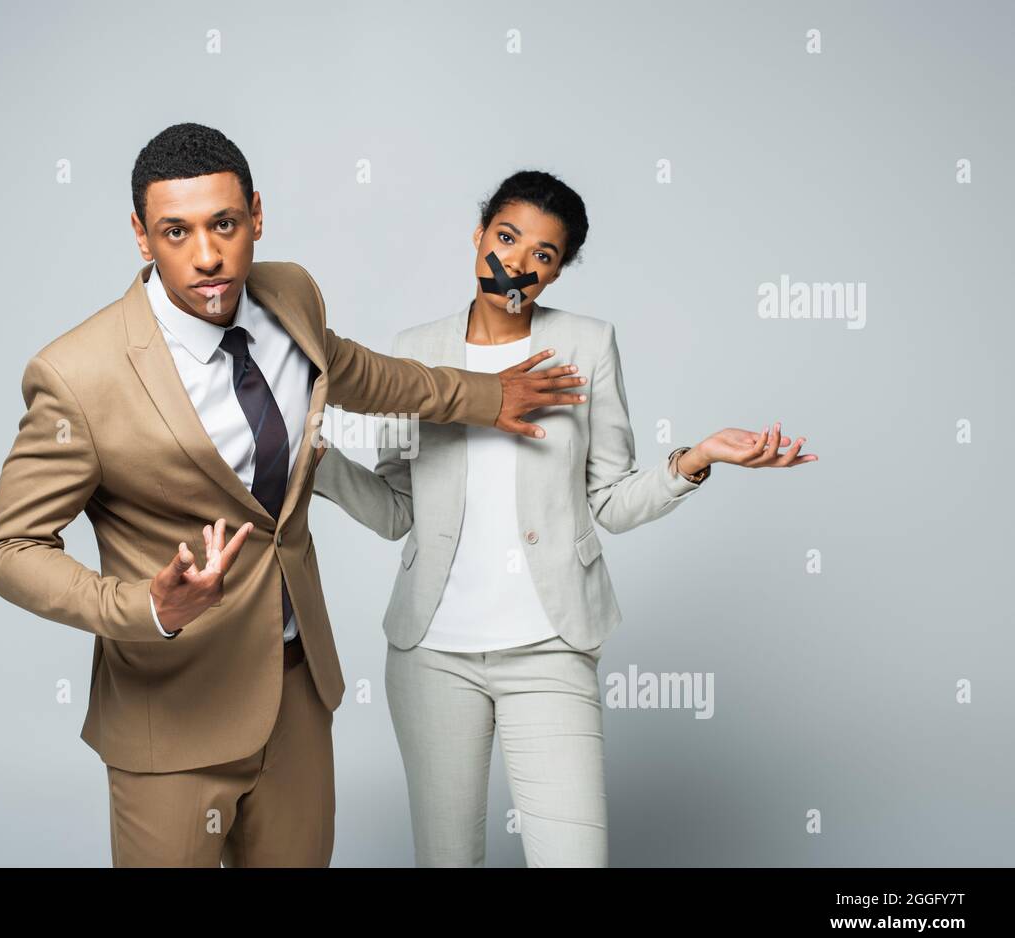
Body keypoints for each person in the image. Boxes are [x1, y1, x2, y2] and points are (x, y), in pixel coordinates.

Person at [0, 126, 586, 867]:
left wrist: (487, 396)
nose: (207, 256)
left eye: (224, 224)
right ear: (141, 234)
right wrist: (145, 608)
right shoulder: (79, 374)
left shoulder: (288, 295)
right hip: (172, 711)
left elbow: (361, 373)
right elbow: (10, 549)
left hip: (296, 695)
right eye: (176, 232)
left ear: (256, 216)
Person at [312, 169, 817, 867]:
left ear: (555, 272)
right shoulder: (414, 351)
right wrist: (313, 460)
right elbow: (397, 509)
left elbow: (610, 500)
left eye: (542, 254)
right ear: (479, 235)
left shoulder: (587, 344)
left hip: (551, 646)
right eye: (507, 237)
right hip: (432, 654)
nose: (517, 263)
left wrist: (695, 459)